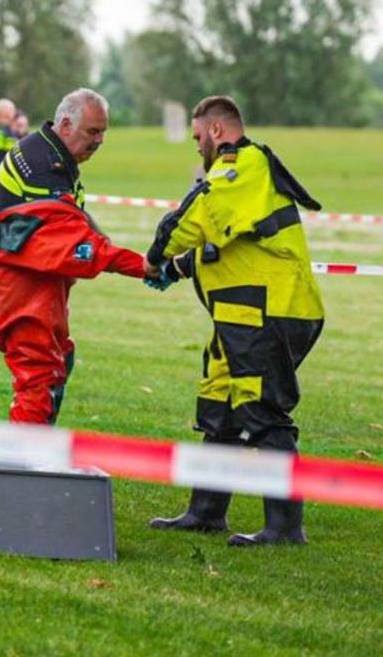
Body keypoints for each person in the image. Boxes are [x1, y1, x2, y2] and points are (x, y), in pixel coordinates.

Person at [144, 95, 324, 546]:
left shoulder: (241, 167)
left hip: (270, 310)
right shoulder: (242, 179)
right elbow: (227, 242)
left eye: (198, 136)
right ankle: (205, 514)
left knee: (263, 411)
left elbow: (197, 215)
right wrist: (177, 268)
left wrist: (156, 255)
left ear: (217, 130)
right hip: (244, 311)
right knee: (222, 410)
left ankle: (285, 529)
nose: (196, 145)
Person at [0, 88, 154, 424]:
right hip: (19, 285)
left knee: (60, 359)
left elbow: (77, 222)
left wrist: (113, 247)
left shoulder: (53, 153)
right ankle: (24, 452)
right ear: (67, 125)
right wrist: (144, 265)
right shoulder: (43, 166)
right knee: (38, 376)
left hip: (34, 277)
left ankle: (34, 442)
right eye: (93, 131)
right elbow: (76, 244)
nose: (100, 140)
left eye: (103, 132)